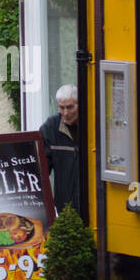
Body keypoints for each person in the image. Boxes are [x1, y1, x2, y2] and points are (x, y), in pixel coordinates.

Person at [39, 84, 81, 215]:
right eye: (61, 108)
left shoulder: (93, 123)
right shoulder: (51, 127)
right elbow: (42, 168)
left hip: (92, 203)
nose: (66, 113)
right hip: (64, 205)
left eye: (70, 107)